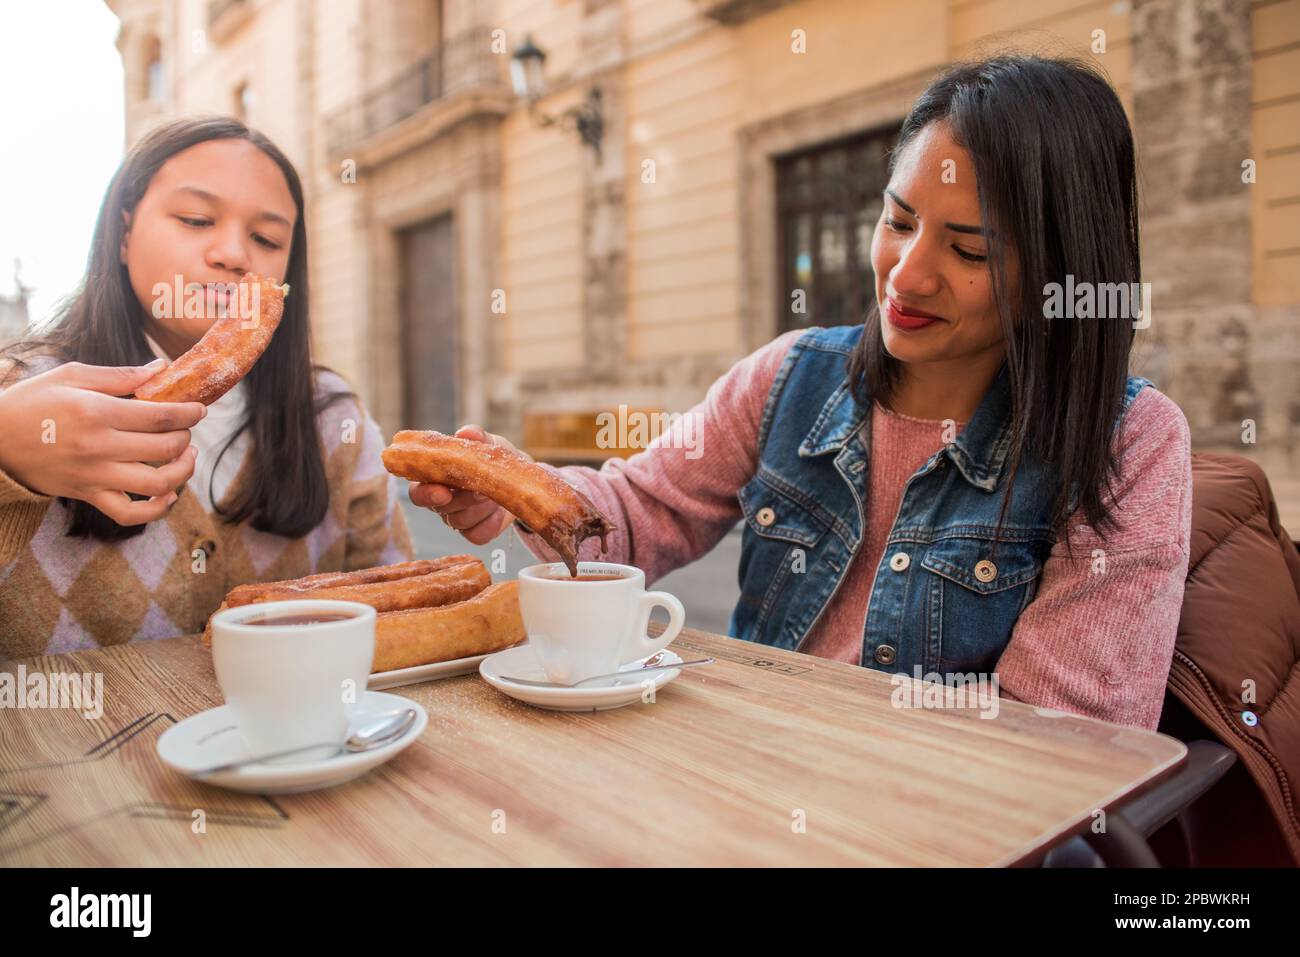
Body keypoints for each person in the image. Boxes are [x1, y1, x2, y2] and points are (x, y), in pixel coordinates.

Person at [411, 56, 1193, 731]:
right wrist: (521, 489)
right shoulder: (790, 375)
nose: (908, 273)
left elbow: (1059, 740)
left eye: (969, 249)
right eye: (898, 219)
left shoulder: (1130, 441)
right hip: (753, 789)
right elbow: (635, 513)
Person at [0, 116, 412, 657]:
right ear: (123, 234)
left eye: (266, 238)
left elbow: (399, 598)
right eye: (196, 219)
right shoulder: (21, 392)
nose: (234, 255)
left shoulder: (330, 417)